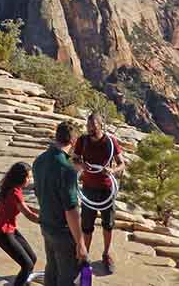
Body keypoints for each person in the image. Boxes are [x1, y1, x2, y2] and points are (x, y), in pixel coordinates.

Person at [33, 121, 87, 286]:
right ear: (73, 141)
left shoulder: (39, 161)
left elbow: (39, 192)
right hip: (63, 232)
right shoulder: (67, 170)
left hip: (46, 225)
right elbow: (71, 210)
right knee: (68, 277)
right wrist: (80, 243)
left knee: (52, 269)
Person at [72, 112, 126, 274]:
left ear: (100, 125)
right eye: (88, 126)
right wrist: (82, 166)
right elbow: (74, 159)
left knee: (108, 224)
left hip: (106, 188)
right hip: (88, 188)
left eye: (93, 126)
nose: (90, 129)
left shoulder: (110, 142)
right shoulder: (83, 140)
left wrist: (112, 170)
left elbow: (122, 164)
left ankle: (106, 253)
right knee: (87, 226)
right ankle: (84, 256)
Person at [0, 162, 40, 286]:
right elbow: (28, 214)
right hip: (3, 233)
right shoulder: (15, 192)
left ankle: (24, 282)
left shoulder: (14, 188)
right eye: (28, 177)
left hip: (11, 230)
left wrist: (42, 211)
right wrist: (47, 221)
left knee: (32, 259)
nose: (30, 180)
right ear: (20, 177)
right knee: (27, 265)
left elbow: (24, 206)